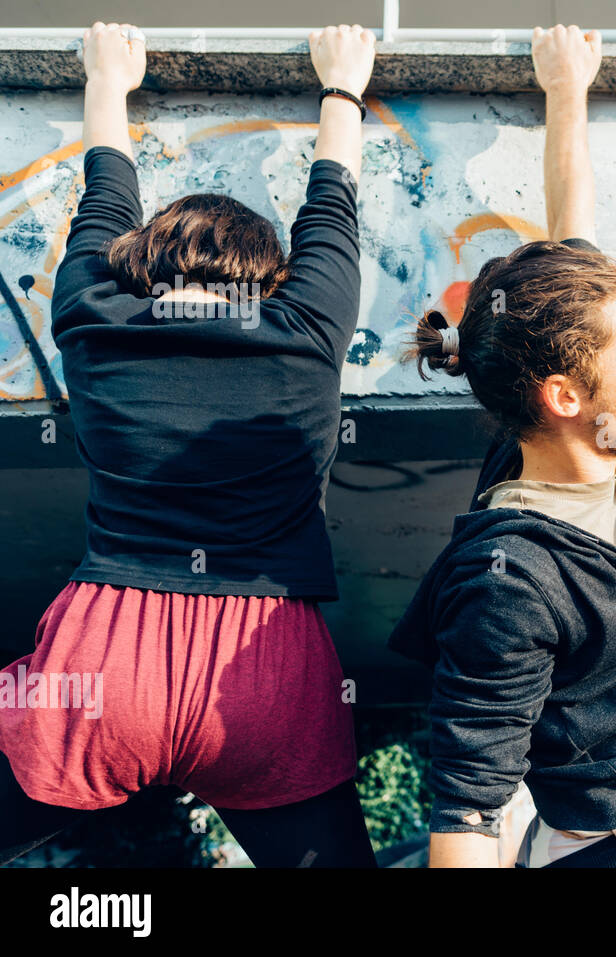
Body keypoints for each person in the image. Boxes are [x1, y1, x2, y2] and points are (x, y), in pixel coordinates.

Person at [0, 22, 378, 867]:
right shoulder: (306, 326)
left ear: (145, 260)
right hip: (266, 669)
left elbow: (103, 201)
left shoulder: (98, 317)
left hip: (106, 667)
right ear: (271, 277)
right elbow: (333, 207)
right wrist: (342, 85)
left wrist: (107, 79)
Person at [388, 24, 616, 869]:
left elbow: (571, 241)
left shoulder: (576, 446)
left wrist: (566, 89)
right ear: (566, 396)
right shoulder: (512, 580)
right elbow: (465, 806)